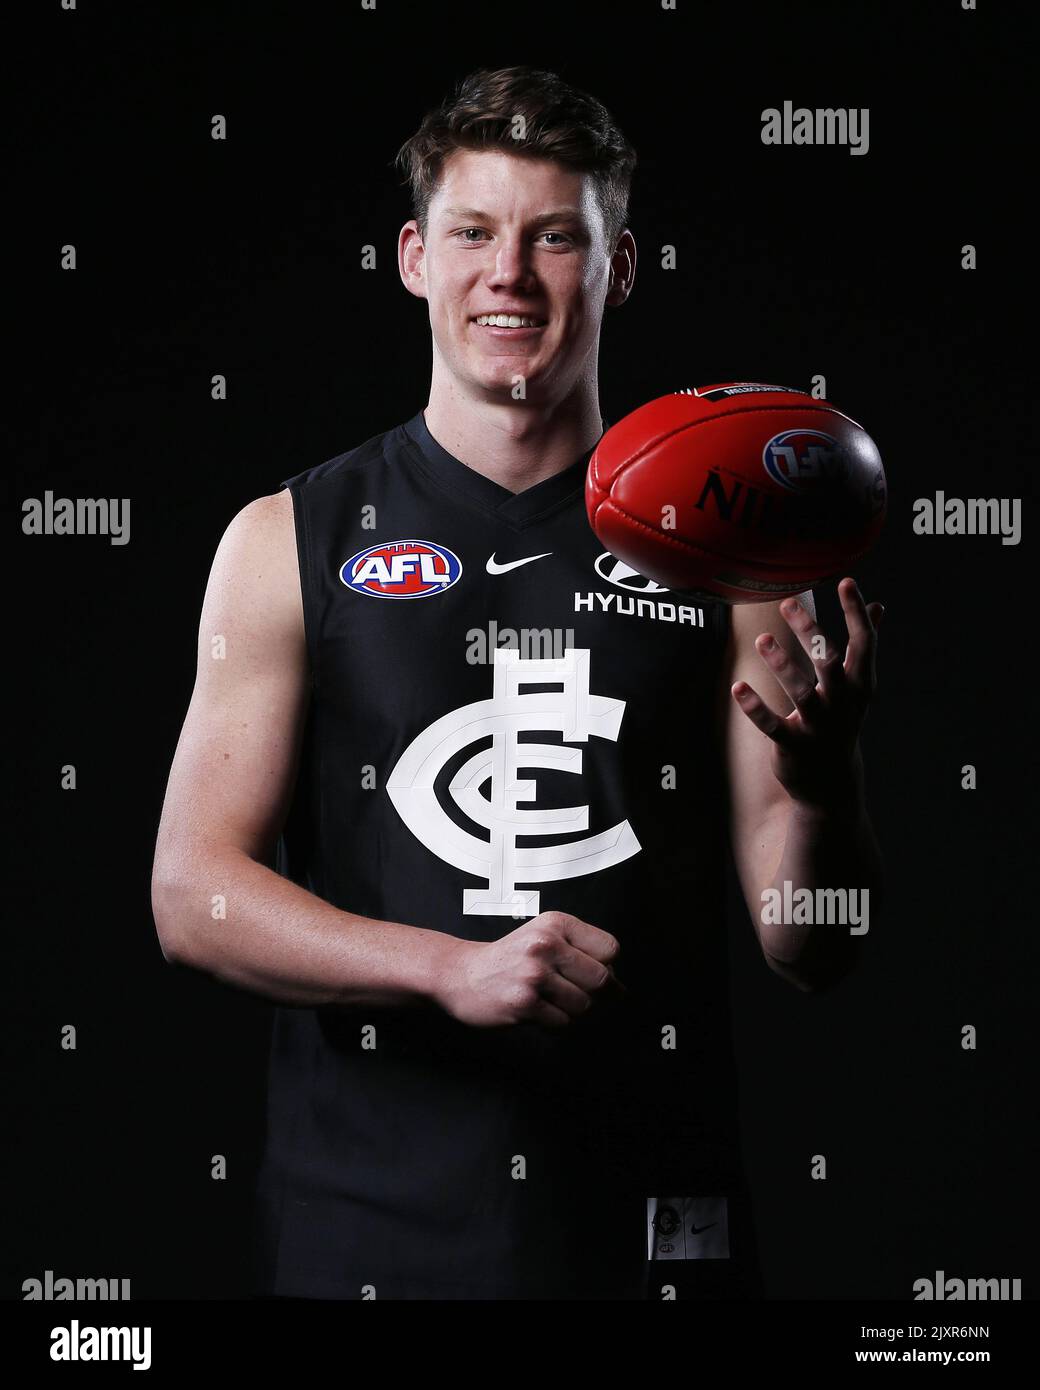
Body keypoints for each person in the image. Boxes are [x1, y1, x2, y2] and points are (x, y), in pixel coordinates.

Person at [150, 65, 884, 1301]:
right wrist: (449, 965)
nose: (510, 273)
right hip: (361, 1225)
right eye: (473, 233)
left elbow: (807, 948)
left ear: (620, 265)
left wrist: (819, 784)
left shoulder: (729, 554)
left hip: (650, 1231)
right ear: (412, 259)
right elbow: (191, 896)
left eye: (556, 237)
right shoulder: (288, 537)